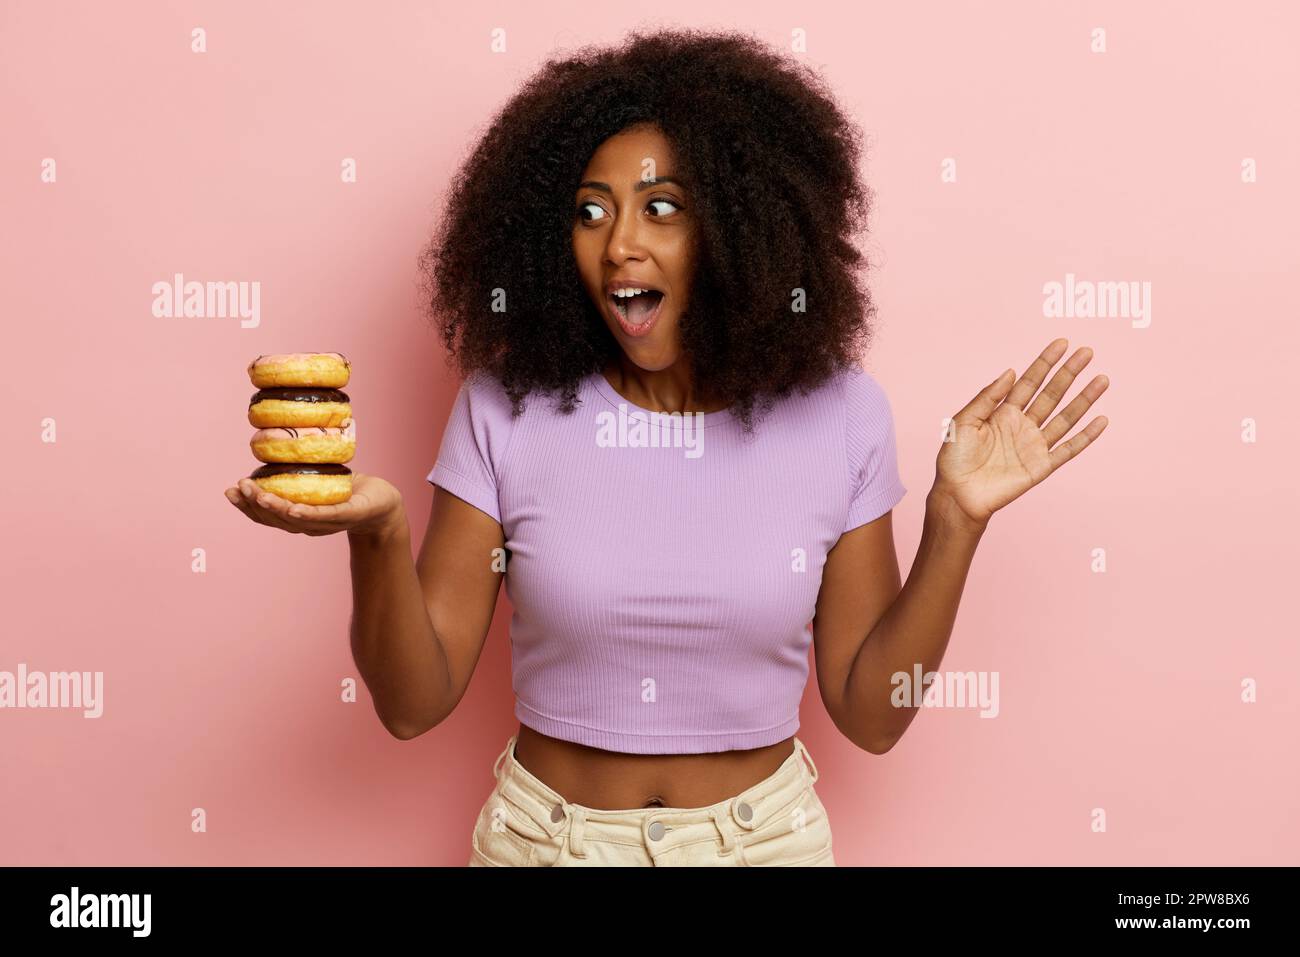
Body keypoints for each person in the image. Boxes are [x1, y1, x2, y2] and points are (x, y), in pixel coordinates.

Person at [224, 28, 1109, 866]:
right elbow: (413, 706)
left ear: (740, 231)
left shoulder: (840, 415)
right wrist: (375, 536)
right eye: (590, 211)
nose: (620, 246)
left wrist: (953, 524)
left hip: (767, 844)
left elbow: (874, 715)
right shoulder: (505, 409)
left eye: (662, 208)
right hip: (547, 841)